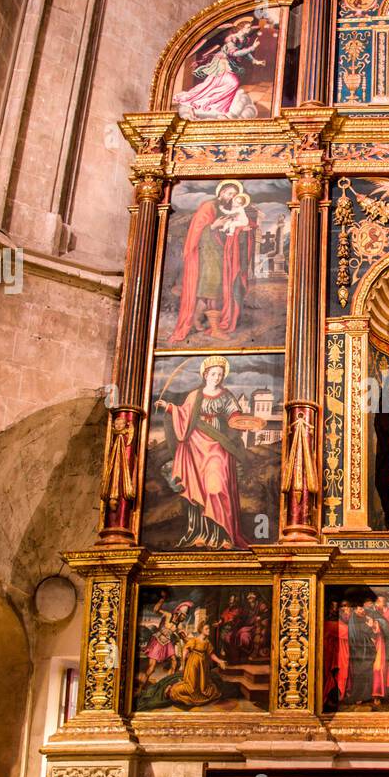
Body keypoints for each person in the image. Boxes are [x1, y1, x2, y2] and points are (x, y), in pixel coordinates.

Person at [154, 355, 265, 550]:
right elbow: (184, 413)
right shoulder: (194, 395)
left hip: (218, 445)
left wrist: (243, 422)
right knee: (199, 489)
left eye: (220, 374)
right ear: (205, 375)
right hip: (195, 443)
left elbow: (234, 416)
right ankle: (200, 534)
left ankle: (223, 536)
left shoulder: (226, 395)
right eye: (213, 373)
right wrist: (169, 407)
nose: (217, 377)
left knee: (216, 487)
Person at [169, 180, 256, 344]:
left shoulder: (229, 209)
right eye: (229, 194)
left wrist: (239, 228)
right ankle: (215, 329)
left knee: (209, 289)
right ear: (221, 193)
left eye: (234, 195)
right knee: (213, 289)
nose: (232, 197)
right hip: (205, 255)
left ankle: (196, 319)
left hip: (219, 253)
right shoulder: (208, 207)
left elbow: (232, 227)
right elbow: (197, 230)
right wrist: (214, 225)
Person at [173, 18, 266, 119]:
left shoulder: (245, 39)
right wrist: (253, 48)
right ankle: (207, 103)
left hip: (230, 62)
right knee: (230, 82)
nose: (249, 29)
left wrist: (254, 60)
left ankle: (218, 106)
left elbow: (245, 51)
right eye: (247, 27)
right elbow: (234, 53)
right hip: (221, 62)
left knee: (215, 84)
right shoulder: (231, 39)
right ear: (241, 28)